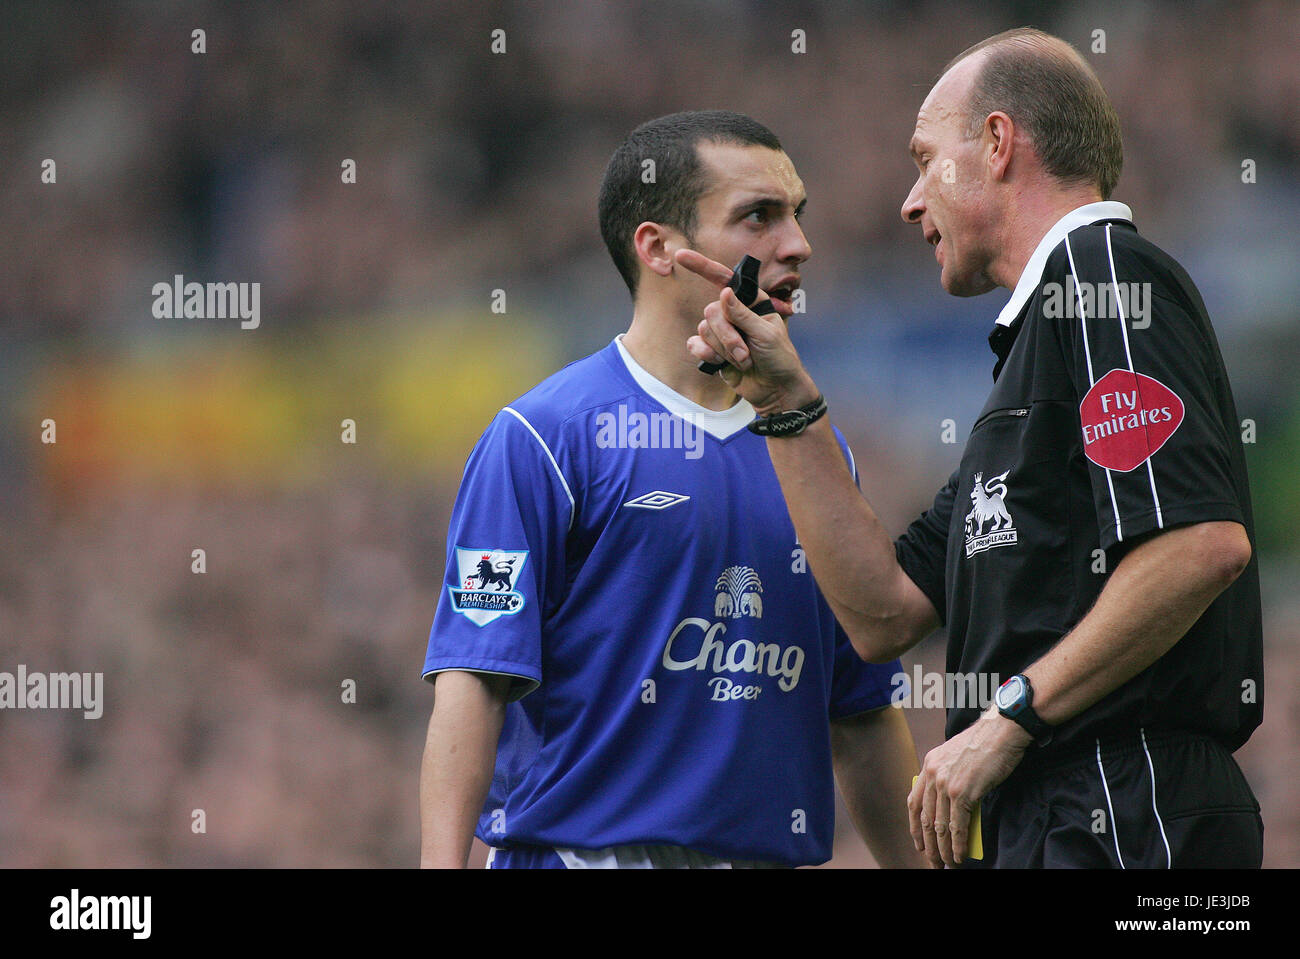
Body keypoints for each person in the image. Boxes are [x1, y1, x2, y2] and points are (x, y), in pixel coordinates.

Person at [682, 29, 1264, 868]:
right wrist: (782, 402)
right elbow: (884, 612)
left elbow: (1199, 544)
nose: (910, 203)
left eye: (924, 159)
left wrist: (1013, 714)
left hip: (1126, 808)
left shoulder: (1100, 275)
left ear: (996, 144)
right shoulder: (1026, 373)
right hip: (1049, 814)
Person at [419, 110, 927, 869]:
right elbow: (473, 684)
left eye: (797, 214)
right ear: (660, 248)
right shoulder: (541, 438)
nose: (797, 244)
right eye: (759, 216)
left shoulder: (817, 452)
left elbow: (861, 712)